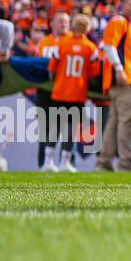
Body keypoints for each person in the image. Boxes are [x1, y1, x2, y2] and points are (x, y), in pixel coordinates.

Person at [48, 15, 101, 173]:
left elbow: (51, 68)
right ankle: (65, 162)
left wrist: (56, 81)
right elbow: (93, 75)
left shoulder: (63, 43)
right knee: (71, 128)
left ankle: (48, 161)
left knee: (55, 125)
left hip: (59, 90)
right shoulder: (90, 48)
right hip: (77, 92)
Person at [98, 0, 131, 172]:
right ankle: (125, 163)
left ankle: (104, 162)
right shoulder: (120, 22)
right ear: (123, 6)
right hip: (125, 80)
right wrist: (119, 69)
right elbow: (109, 46)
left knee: (114, 122)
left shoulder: (129, 26)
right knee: (126, 122)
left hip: (124, 79)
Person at [35, 12, 70, 170]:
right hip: (45, 91)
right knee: (45, 128)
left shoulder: (71, 41)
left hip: (65, 89)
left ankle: (68, 163)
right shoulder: (44, 42)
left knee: (67, 127)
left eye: (66, 21)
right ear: (52, 24)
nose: (64, 24)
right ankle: (43, 164)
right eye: (60, 21)